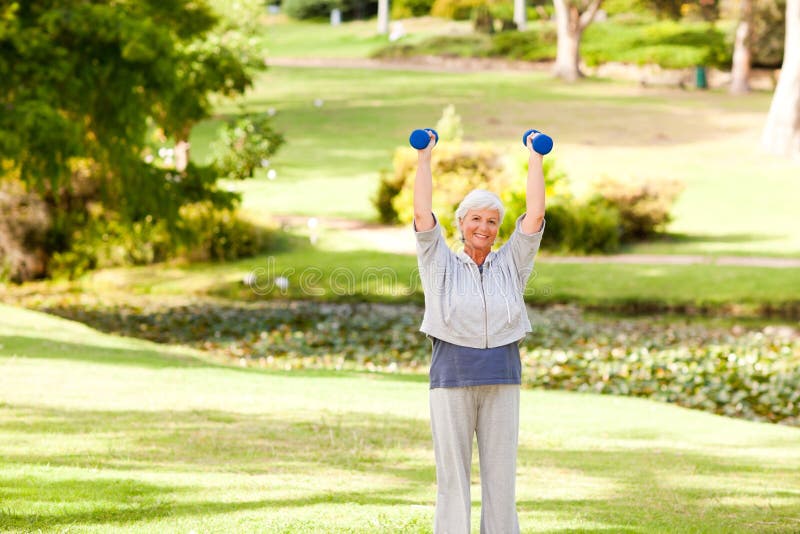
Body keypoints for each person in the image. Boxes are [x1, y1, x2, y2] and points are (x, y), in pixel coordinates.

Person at [413, 130, 546, 534]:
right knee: (452, 481)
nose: (484, 228)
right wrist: (424, 157)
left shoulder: (512, 264)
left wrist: (535, 156)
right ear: (460, 224)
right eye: (476, 219)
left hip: (501, 378)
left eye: (492, 221)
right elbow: (421, 213)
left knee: (501, 481)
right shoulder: (439, 262)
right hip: (451, 379)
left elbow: (536, 216)